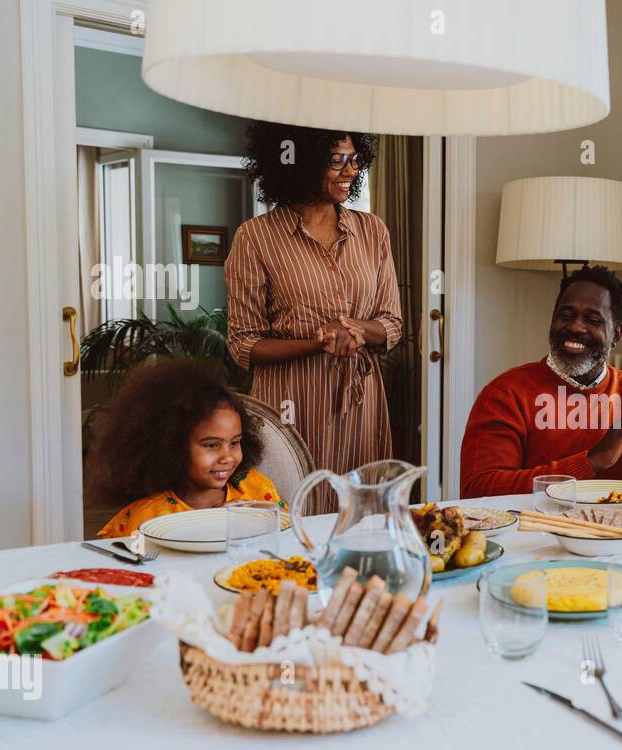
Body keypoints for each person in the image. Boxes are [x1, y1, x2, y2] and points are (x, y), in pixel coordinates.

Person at [226, 121, 401, 512]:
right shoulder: (255, 238)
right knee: (292, 511)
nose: (350, 170)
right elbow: (243, 345)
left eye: (355, 159)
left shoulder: (373, 231)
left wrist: (357, 331)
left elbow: (391, 324)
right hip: (291, 401)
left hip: (360, 405)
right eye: (336, 160)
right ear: (299, 162)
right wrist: (318, 342)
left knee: (358, 513)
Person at [460, 265, 622, 498]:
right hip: (537, 523)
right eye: (565, 315)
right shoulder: (505, 394)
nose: (575, 327)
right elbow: (478, 490)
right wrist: (592, 461)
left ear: (616, 334)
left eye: (593, 319)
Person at [89, 359, 285, 538]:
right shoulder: (148, 516)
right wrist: (212, 523)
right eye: (212, 445)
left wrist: (259, 519)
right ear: (172, 447)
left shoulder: (255, 488)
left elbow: (288, 533)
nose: (227, 457)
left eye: (234, 443)